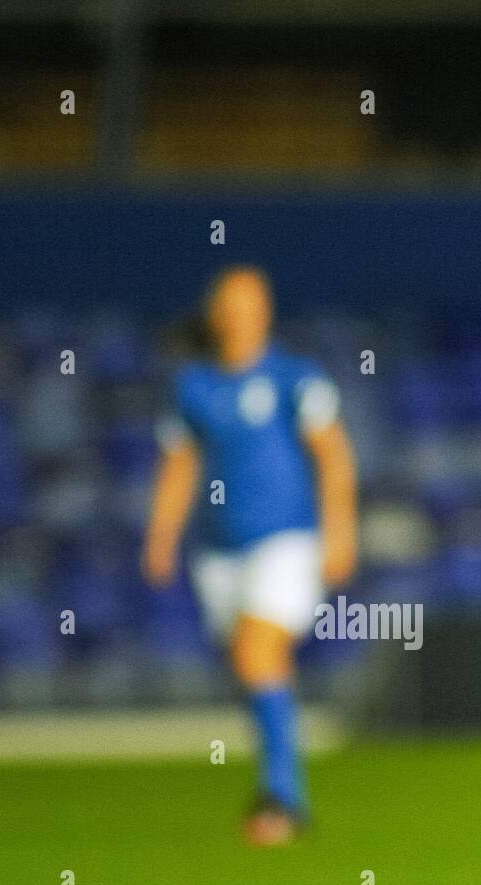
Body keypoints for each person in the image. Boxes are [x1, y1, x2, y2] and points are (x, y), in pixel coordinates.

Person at [142, 264, 358, 845]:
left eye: (250, 306)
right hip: (217, 552)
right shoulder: (193, 386)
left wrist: (340, 532)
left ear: (265, 314)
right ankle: (283, 785)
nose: (239, 318)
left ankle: (282, 797)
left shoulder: (294, 379)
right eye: (230, 307)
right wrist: (161, 537)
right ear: (215, 315)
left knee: (256, 655)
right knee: (251, 667)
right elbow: (180, 464)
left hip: (286, 541)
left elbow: (332, 456)